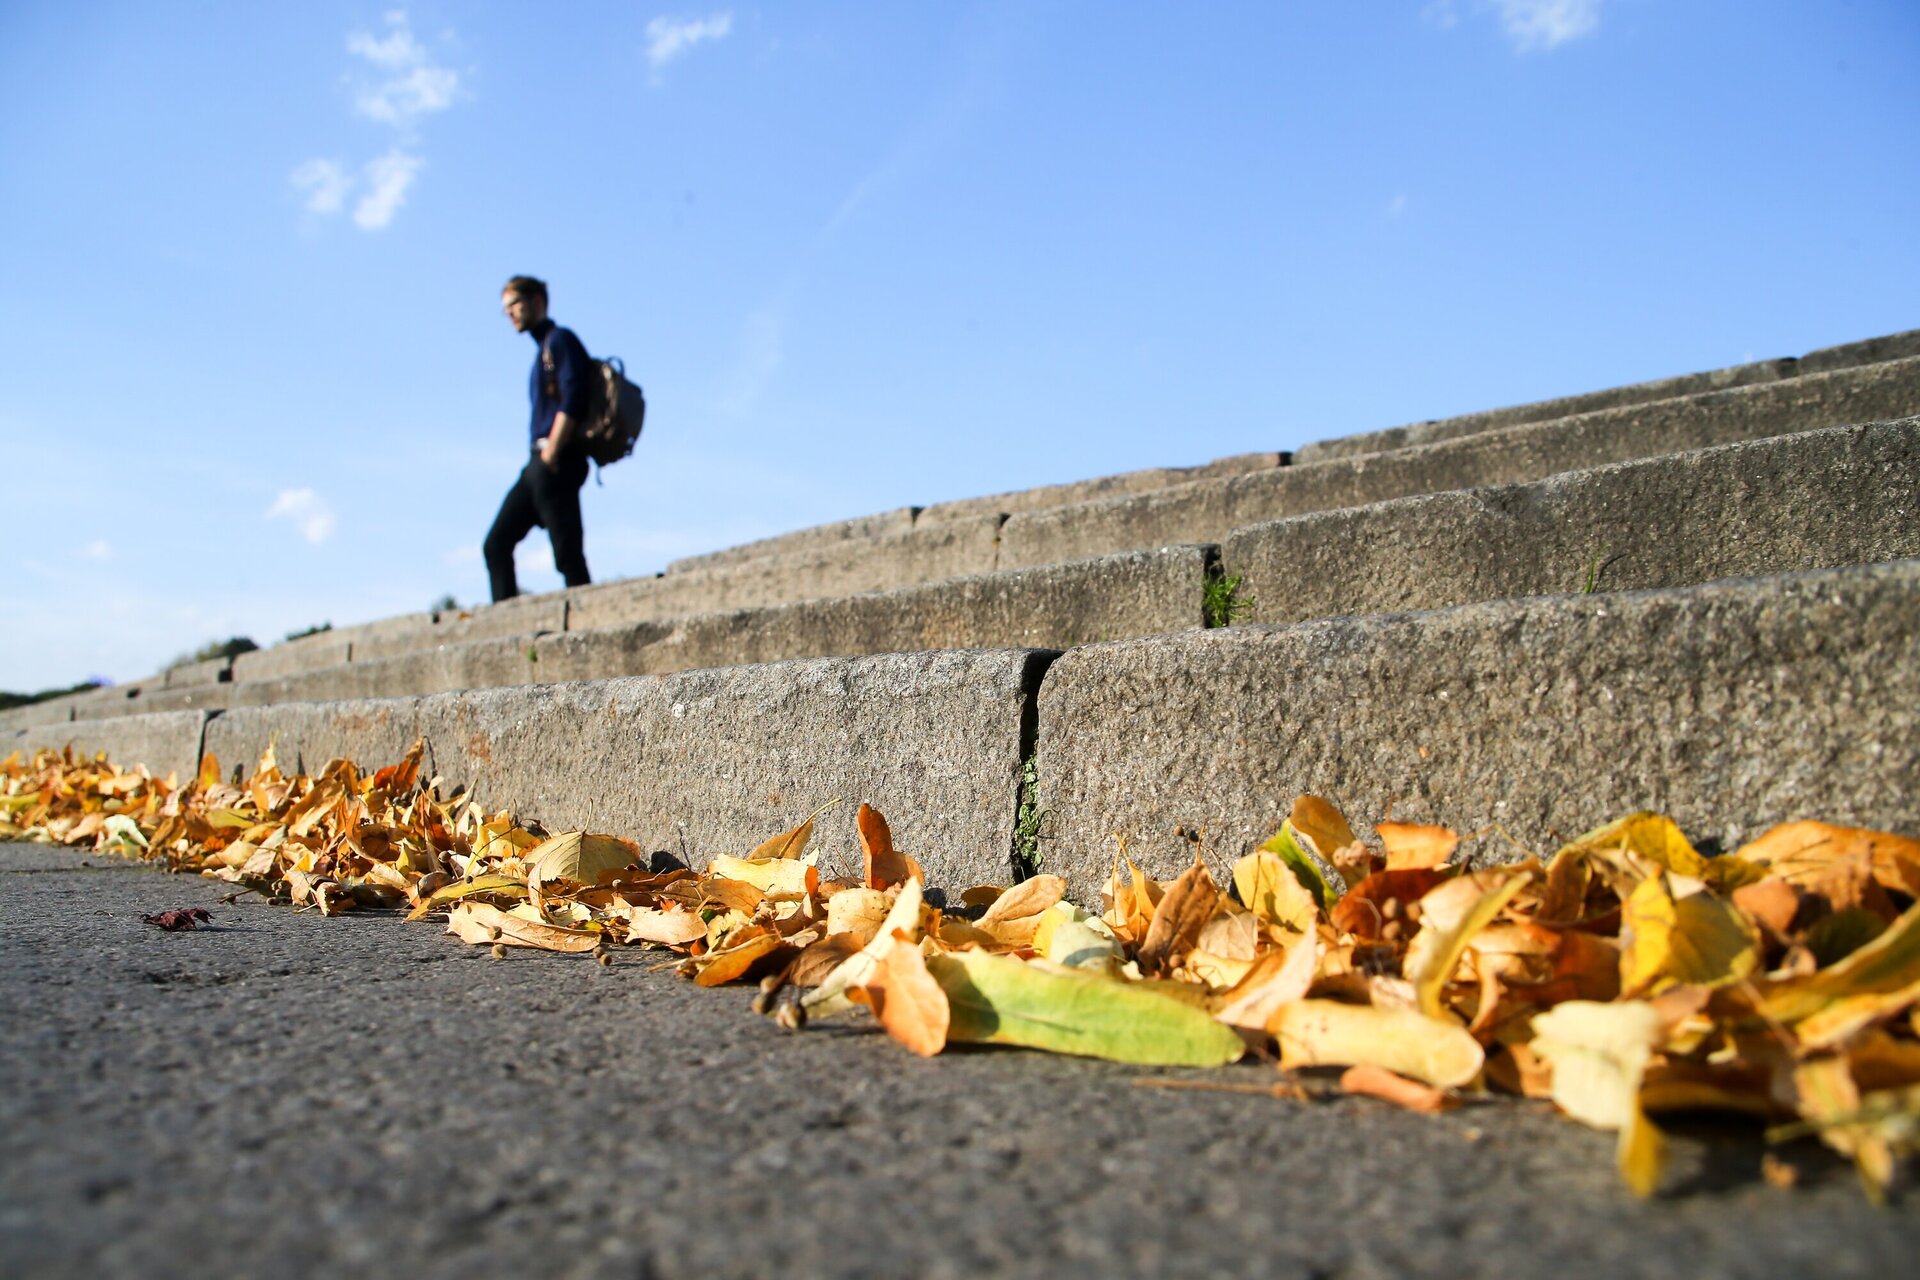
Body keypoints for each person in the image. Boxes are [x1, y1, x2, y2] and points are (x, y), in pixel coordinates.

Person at [484, 275, 594, 602]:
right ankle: (506, 625)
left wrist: (553, 451)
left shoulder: (560, 340)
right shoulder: (542, 351)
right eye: (505, 310)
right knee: (496, 544)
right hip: (539, 465)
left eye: (514, 304)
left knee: (568, 556)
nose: (510, 314)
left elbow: (574, 396)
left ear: (536, 300)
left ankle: (587, 622)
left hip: (555, 460)